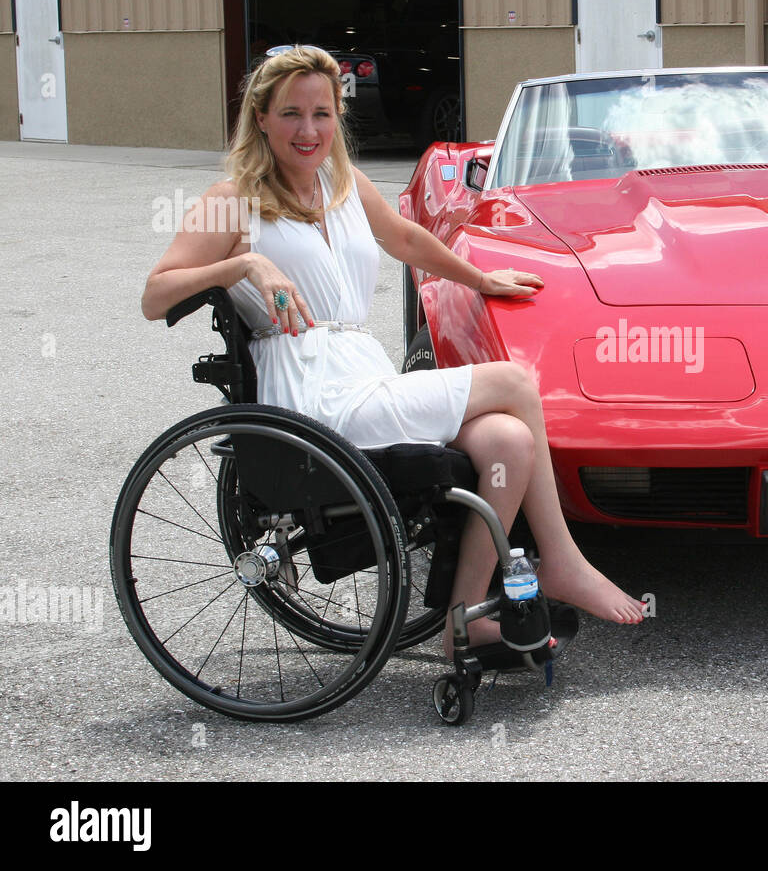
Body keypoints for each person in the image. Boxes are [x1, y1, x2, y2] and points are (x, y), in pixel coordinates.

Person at [140, 44, 644, 658]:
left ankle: (464, 619)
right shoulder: (233, 199)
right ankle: (562, 558)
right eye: (291, 113)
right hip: (312, 399)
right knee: (514, 382)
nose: (309, 130)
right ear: (262, 118)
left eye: (322, 113)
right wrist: (243, 263)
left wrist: (480, 280)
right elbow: (154, 295)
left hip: (363, 374)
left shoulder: (343, 185)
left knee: (509, 443)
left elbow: (405, 237)